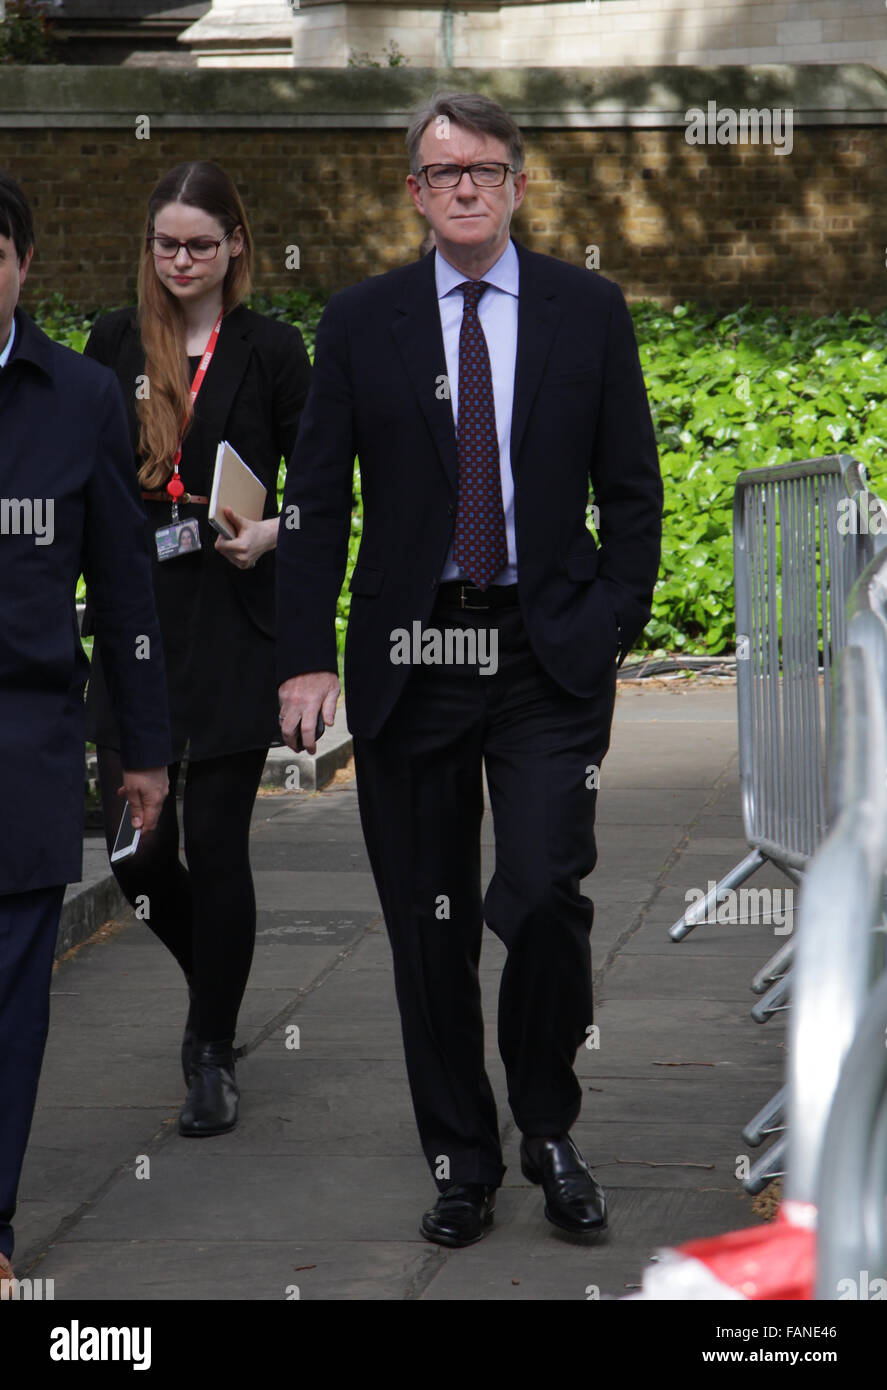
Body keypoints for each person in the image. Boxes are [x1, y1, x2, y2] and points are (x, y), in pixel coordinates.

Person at [276, 91, 663, 1246]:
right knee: (426, 924)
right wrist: (301, 658)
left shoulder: (585, 312)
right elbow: (313, 504)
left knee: (544, 890)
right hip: (411, 656)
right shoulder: (361, 321)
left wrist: (610, 624)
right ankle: (461, 1158)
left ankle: (546, 1123)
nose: (462, 186)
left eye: (483, 168)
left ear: (518, 185)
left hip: (542, 652)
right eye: (440, 170)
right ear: (411, 190)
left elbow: (632, 490)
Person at [83, 161, 312, 1139]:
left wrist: (273, 533)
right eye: (166, 244)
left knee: (216, 846)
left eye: (200, 245)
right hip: (135, 620)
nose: (181, 261)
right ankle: (211, 976)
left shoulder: (270, 351)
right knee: (136, 854)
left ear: (235, 249)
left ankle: (209, 1049)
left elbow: (326, 488)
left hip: (231, 622)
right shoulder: (113, 343)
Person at [0, 172, 170, 1291]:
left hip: (21, 742)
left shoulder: (79, 397)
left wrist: (142, 751)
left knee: (10, 997)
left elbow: (122, 587)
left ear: (18, 261)